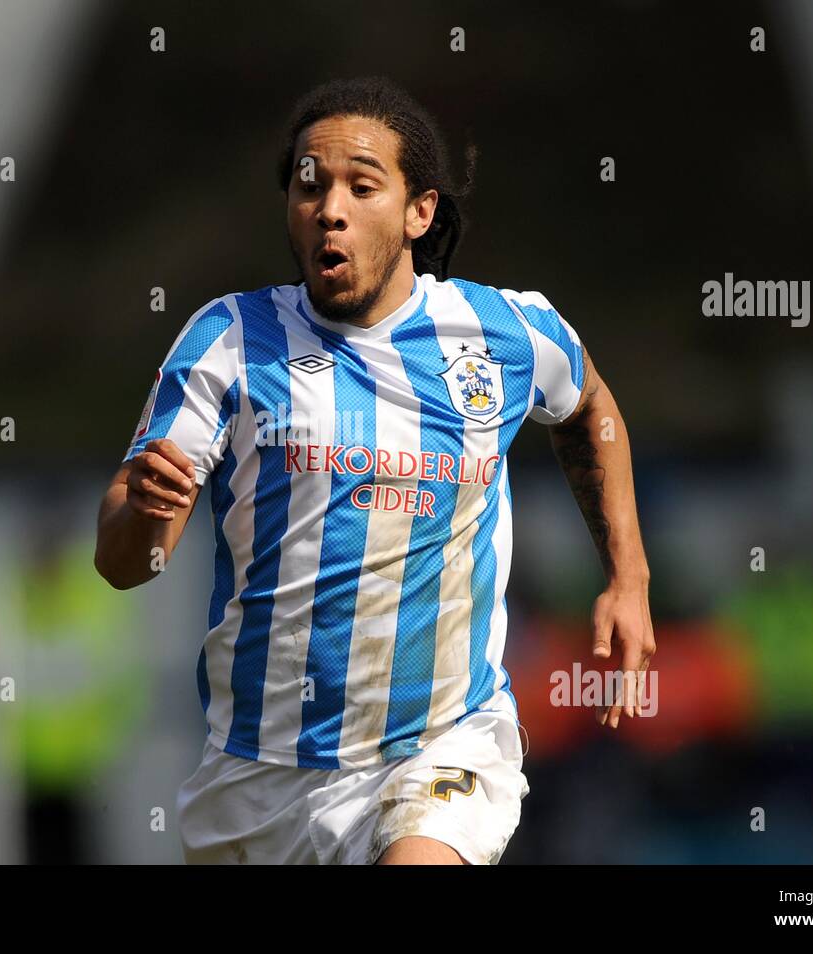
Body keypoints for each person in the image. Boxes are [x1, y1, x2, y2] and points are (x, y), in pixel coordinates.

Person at [95, 76, 655, 865]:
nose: (331, 208)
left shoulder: (504, 332)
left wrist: (627, 577)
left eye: (362, 186)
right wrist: (147, 517)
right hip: (258, 774)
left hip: (437, 747)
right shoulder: (228, 340)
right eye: (309, 185)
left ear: (418, 212)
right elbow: (120, 564)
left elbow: (590, 410)